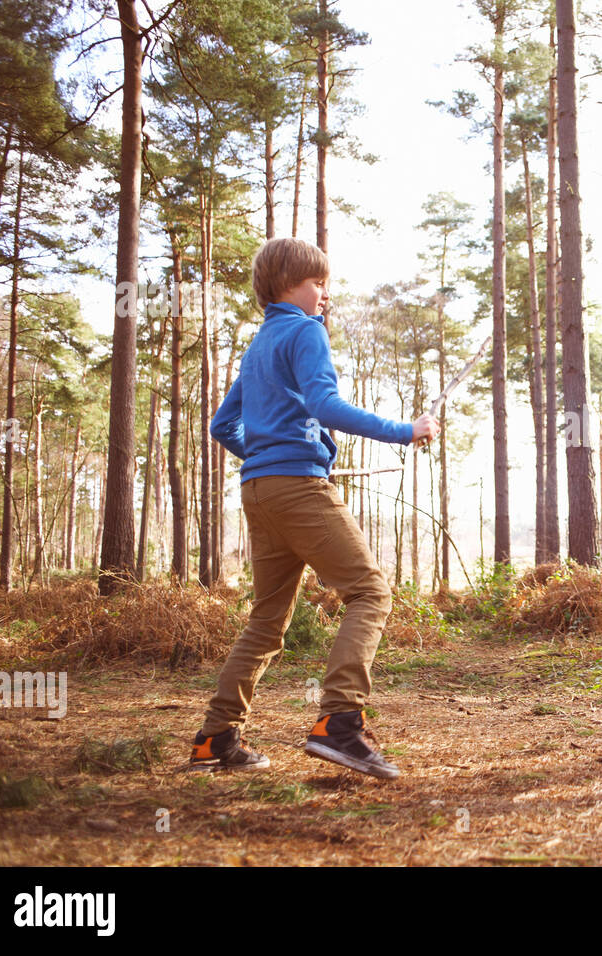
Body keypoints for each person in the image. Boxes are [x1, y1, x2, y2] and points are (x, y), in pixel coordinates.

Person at [188, 237, 439, 779]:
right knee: (370, 592)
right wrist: (405, 431)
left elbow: (221, 427)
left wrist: (267, 457)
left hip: (260, 491)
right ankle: (339, 724)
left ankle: (215, 739)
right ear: (288, 285)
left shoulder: (259, 346)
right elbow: (326, 405)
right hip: (297, 490)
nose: (325, 293)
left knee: (266, 622)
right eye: (317, 282)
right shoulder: (304, 331)